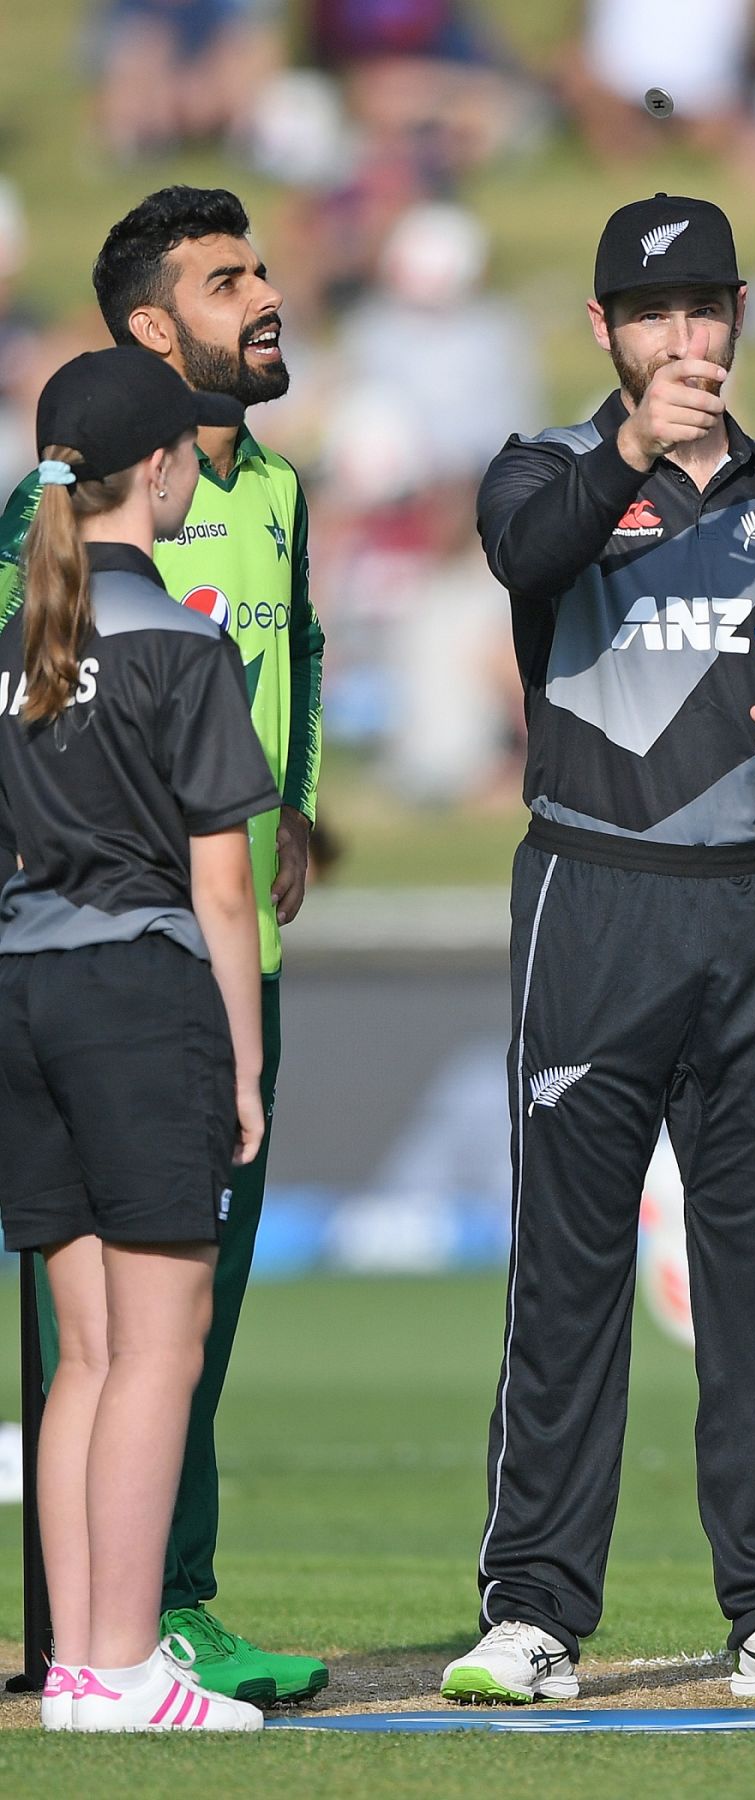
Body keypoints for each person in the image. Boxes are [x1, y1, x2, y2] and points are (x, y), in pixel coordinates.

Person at [440, 193, 755, 1706]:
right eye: (654, 313)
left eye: (707, 307)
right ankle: (532, 1613)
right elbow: (533, 553)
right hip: (595, 897)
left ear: (739, 315)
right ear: (605, 330)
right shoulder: (545, 472)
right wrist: (635, 442)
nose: (685, 336)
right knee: (568, 1275)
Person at [0, 186, 327, 1702]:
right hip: (149, 991)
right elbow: (211, 889)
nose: (265, 293)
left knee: (90, 1353)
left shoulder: (39, 632)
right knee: (156, 1351)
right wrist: (243, 1065)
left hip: (27, 980)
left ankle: (84, 1660)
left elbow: (299, 662)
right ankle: (127, 1656)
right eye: (227, 278)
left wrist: (299, 813)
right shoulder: (170, 633)